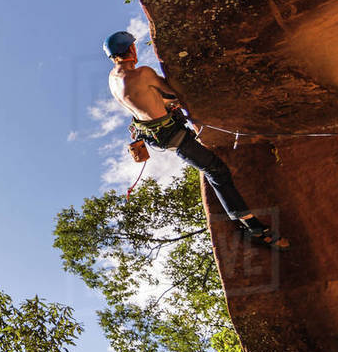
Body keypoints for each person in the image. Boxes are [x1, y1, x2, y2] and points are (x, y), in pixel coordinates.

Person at [103, 30, 289, 250]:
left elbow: (142, 101)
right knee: (217, 171)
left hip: (152, 134)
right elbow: (173, 95)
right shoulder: (142, 73)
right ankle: (253, 229)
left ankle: (244, 221)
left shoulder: (113, 79)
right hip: (171, 134)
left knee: (212, 170)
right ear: (131, 49)